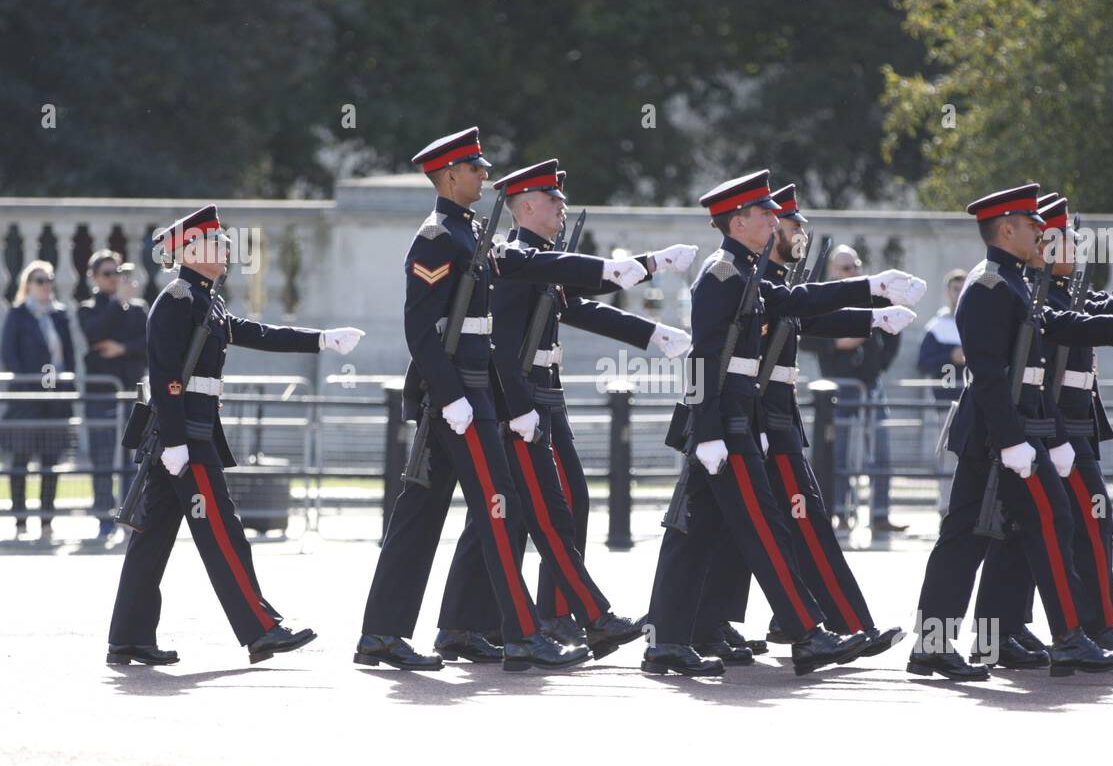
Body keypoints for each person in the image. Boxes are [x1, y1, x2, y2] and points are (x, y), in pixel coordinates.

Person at [354, 128, 660, 672]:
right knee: (500, 507)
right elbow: (420, 329)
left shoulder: (472, 232)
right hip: (458, 397)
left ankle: (393, 633)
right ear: (449, 175)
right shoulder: (435, 236)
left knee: (423, 514)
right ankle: (520, 634)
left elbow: (530, 266)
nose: (484, 177)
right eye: (474, 169)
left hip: (476, 393)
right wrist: (449, 397)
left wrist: (615, 270)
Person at [642, 169, 910, 678]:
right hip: (728, 420)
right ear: (738, 221)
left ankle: (671, 639)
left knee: (693, 531)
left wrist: (869, 309)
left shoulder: (750, 271)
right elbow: (702, 360)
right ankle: (805, 633)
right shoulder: (723, 274)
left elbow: (793, 308)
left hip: (743, 416)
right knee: (759, 525)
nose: (774, 220)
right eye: (765, 213)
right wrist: (709, 432)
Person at [908, 183, 1113, 681]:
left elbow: (1055, 327)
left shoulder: (1013, 282)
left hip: (1020, 426)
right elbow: (987, 374)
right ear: (1007, 229)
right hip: (996, 433)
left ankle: (1014, 641)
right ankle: (1058, 640)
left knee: (1024, 528)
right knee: (982, 534)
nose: (1040, 233)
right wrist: (1010, 441)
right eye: (1032, 226)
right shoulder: (988, 286)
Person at [435, 160, 695, 657]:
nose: (561, 208)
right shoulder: (514, 260)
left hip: (545, 396)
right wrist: (517, 407)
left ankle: (472, 622)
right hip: (524, 400)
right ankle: (556, 616)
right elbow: (502, 345)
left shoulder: (541, 258)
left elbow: (579, 305)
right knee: (536, 510)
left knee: (530, 509)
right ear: (527, 206)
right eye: (553, 201)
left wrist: (651, 334)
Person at [106, 205, 364, 666]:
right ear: (190, 250)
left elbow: (260, 333)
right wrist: (176, 441)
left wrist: (322, 339)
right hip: (185, 436)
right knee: (223, 532)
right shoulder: (177, 300)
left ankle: (129, 636)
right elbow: (165, 374)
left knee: (152, 536)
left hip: (190, 434)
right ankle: (260, 629)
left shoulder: (207, 300)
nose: (227, 247)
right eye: (217, 241)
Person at [969, 194, 1113, 668]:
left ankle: (1009, 632)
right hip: (1052, 426)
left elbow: (1103, 303)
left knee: (1034, 530)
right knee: (1068, 524)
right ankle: (1086, 627)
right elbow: (1071, 325)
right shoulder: (1022, 289)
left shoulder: (1044, 289)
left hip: (1064, 425)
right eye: (1065, 242)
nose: (1075, 251)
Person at [802, 245, 904, 535]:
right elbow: (802, 334)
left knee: (881, 453)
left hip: (870, 384)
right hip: (840, 387)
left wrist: (879, 363)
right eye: (846, 268)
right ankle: (841, 513)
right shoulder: (825, 297)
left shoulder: (872, 295)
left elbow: (894, 328)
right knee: (840, 454)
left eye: (856, 266)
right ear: (835, 270)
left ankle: (880, 515)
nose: (853, 272)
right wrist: (835, 344)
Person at [2, 260, 76, 540]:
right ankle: (20, 520)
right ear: (28, 284)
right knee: (20, 461)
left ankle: (47, 519)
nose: (45, 286)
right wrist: (32, 384)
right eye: (39, 281)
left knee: (51, 462)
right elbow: (9, 354)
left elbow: (68, 355)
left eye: (48, 280)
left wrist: (63, 385)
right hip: (27, 399)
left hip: (56, 399)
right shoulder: (18, 314)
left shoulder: (59, 314)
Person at [79, 250, 148, 539]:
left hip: (131, 396)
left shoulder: (138, 309)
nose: (114, 279)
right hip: (101, 396)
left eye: (117, 272)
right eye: (107, 274)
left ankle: (131, 516)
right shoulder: (88, 308)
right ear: (94, 278)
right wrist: (116, 302)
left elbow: (148, 344)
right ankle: (104, 519)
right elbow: (94, 335)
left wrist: (121, 349)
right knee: (104, 458)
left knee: (132, 461)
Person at [918, 268, 967, 516]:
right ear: (948, 292)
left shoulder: (974, 321)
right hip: (946, 400)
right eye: (955, 288)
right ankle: (946, 507)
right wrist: (950, 356)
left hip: (973, 399)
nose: (959, 294)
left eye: (963, 288)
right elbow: (924, 362)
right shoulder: (937, 327)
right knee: (947, 456)